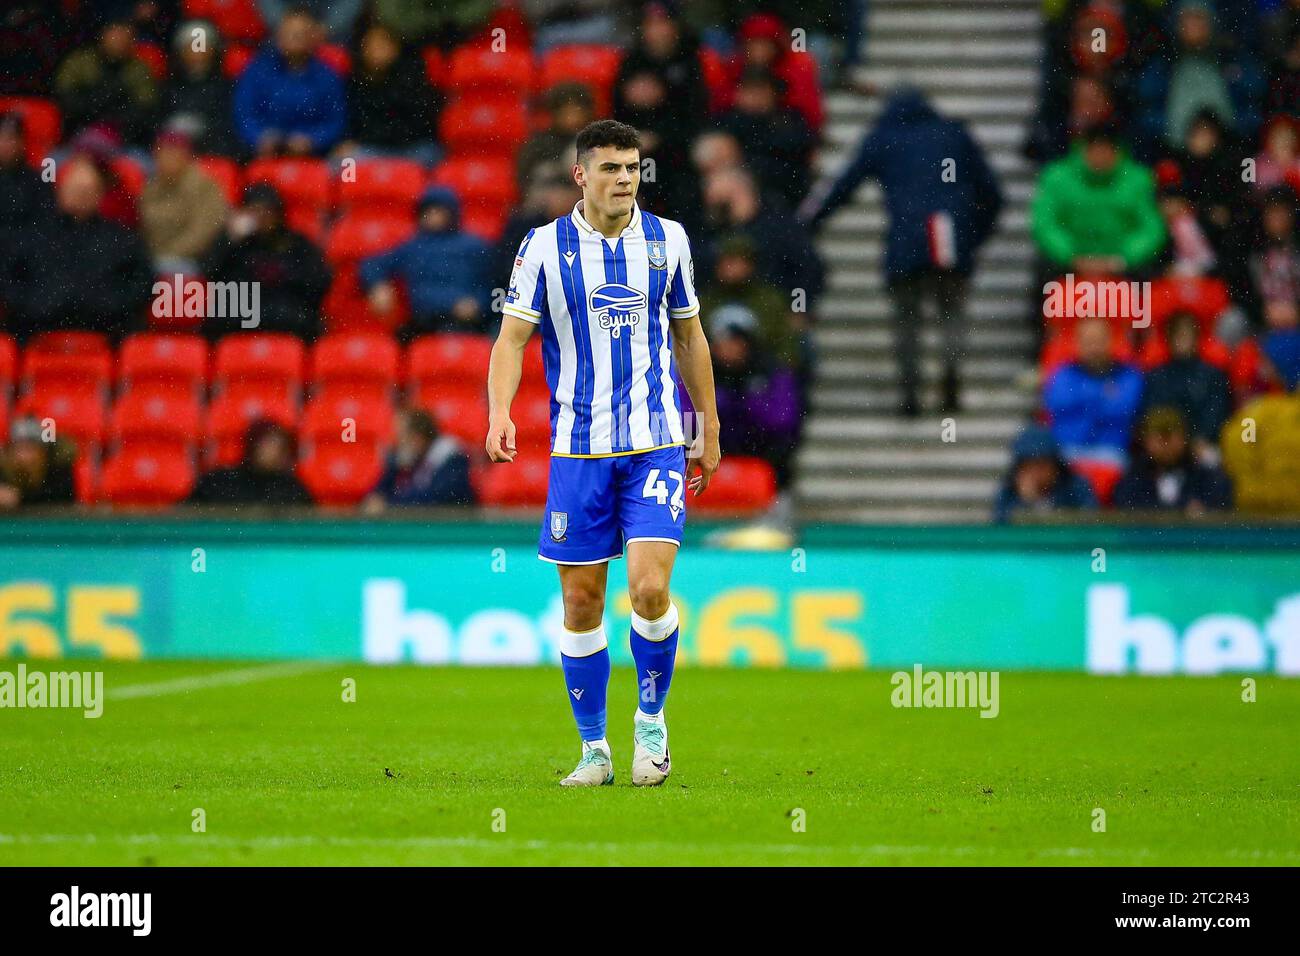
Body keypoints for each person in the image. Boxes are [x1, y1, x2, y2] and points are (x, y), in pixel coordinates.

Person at [485, 120, 721, 788]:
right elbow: (510, 342)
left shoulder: (668, 241)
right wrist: (499, 411)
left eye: (633, 168)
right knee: (583, 603)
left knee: (649, 588)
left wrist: (708, 424)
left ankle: (651, 722)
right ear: (580, 175)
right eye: (611, 168)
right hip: (578, 451)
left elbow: (690, 337)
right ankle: (594, 750)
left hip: (655, 442)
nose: (625, 179)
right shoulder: (542, 248)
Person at [799, 86, 1003, 414]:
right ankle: (950, 380)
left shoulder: (885, 136)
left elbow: (845, 183)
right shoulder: (954, 134)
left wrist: (808, 223)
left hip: (906, 241)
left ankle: (910, 393)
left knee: (907, 321)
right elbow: (991, 192)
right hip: (951, 239)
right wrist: (974, 235)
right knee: (951, 314)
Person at [1, 156, 153, 343]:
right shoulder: (32, 236)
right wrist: (36, 305)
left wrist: (108, 305)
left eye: (87, 190)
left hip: (103, 334)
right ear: (60, 190)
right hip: (38, 334)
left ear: (99, 195)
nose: (80, 195)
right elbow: (9, 280)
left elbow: (142, 282)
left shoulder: (120, 238)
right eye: (75, 188)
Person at [1031, 123, 1166, 278]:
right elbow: (1045, 224)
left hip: (1124, 265)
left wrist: (1124, 258)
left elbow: (1151, 228)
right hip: (1069, 263)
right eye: (1095, 149)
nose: (1100, 155)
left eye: (1105, 149)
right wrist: (1070, 256)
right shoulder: (1056, 177)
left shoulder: (1139, 180)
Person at [359, 185, 493, 339]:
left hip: (466, 324)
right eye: (428, 211)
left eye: (438, 211)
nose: (433, 216)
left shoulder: (474, 246)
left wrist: (478, 304)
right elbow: (373, 265)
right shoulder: (413, 246)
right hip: (424, 324)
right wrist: (377, 285)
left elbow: (491, 283)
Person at [201, 183, 331, 340]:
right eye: (255, 211)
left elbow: (319, 282)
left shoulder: (297, 244)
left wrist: (284, 280)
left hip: (287, 313)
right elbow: (209, 272)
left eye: (267, 211)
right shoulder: (237, 244)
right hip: (244, 314)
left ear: (278, 214)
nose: (262, 217)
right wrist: (229, 239)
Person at [233, 6, 347, 157]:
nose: (294, 38)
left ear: (313, 38)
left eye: (300, 34)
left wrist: (313, 140)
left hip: (314, 156)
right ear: (278, 36)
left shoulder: (327, 76)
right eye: (289, 33)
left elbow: (335, 121)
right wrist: (259, 137)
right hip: (263, 154)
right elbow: (244, 114)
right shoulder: (257, 71)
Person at [1043, 316, 1145, 467]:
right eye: (1088, 341)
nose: (1094, 348)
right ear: (1078, 343)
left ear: (1110, 341)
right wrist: (1103, 394)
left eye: (1099, 340)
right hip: (1069, 451)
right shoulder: (1062, 374)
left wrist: (1082, 397)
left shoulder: (1128, 374)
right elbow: (1057, 404)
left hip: (1112, 453)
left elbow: (1125, 408)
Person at [53, 15, 158, 145]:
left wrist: (113, 116)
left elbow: (146, 107)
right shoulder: (80, 61)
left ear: (132, 40)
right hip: (78, 134)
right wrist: (95, 105)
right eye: (114, 34)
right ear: (102, 35)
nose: (118, 40)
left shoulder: (139, 69)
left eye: (124, 36)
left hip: (123, 141)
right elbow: (64, 96)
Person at [1141, 311, 1231, 462]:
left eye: (1188, 334)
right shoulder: (1156, 376)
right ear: (1169, 339)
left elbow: (1217, 413)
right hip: (1165, 442)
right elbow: (1152, 413)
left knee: (1212, 461)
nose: (1183, 340)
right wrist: (1172, 440)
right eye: (1178, 335)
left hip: (1203, 444)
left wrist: (1199, 439)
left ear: (1197, 337)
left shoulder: (1213, 375)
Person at [139, 128, 229, 274]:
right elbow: (144, 226)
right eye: (160, 152)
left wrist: (170, 253)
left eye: (172, 152)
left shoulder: (203, 184)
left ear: (186, 155)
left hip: (192, 260)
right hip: (154, 257)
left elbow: (204, 231)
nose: (165, 158)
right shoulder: (151, 186)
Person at [1113, 407, 1233, 514]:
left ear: (1185, 438)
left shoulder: (1207, 478)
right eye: (1159, 438)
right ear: (1145, 440)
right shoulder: (1133, 477)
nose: (1166, 445)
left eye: (1171, 437)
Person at [363, 408, 474, 510]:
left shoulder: (452, 456)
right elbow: (377, 493)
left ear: (418, 438)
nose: (398, 444)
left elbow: (435, 497)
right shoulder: (412, 456)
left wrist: (388, 503)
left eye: (403, 438)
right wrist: (392, 469)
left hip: (455, 523)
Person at [160, 19, 239, 157]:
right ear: (181, 52)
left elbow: (227, 129)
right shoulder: (168, 87)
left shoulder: (225, 87)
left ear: (213, 51)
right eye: (191, 48)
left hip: (211, 154)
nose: (198, 54)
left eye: (203, 47)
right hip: (171, 156)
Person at [189, 419, 312, 506]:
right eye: (268, 444)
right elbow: (184, 515)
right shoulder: (219, 482)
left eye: (281, 446)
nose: (274, 451)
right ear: (252, 446)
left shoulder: (291, 489)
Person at [992, 423, 1098, 523]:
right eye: (1027, 466)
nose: (1034, 473)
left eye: (1041, 465)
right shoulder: (1010, 492)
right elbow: (1002, 528)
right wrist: (1028, 502)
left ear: (1056, 466)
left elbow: (1089, 522)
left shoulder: (1076, 487)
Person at [0, 416, 77, 509]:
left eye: (29, 449)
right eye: (19, 448)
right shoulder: (3, 470)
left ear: (42, 452)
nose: (24, 456)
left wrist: (20, 498)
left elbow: (59, 499)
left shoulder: (58, 471)